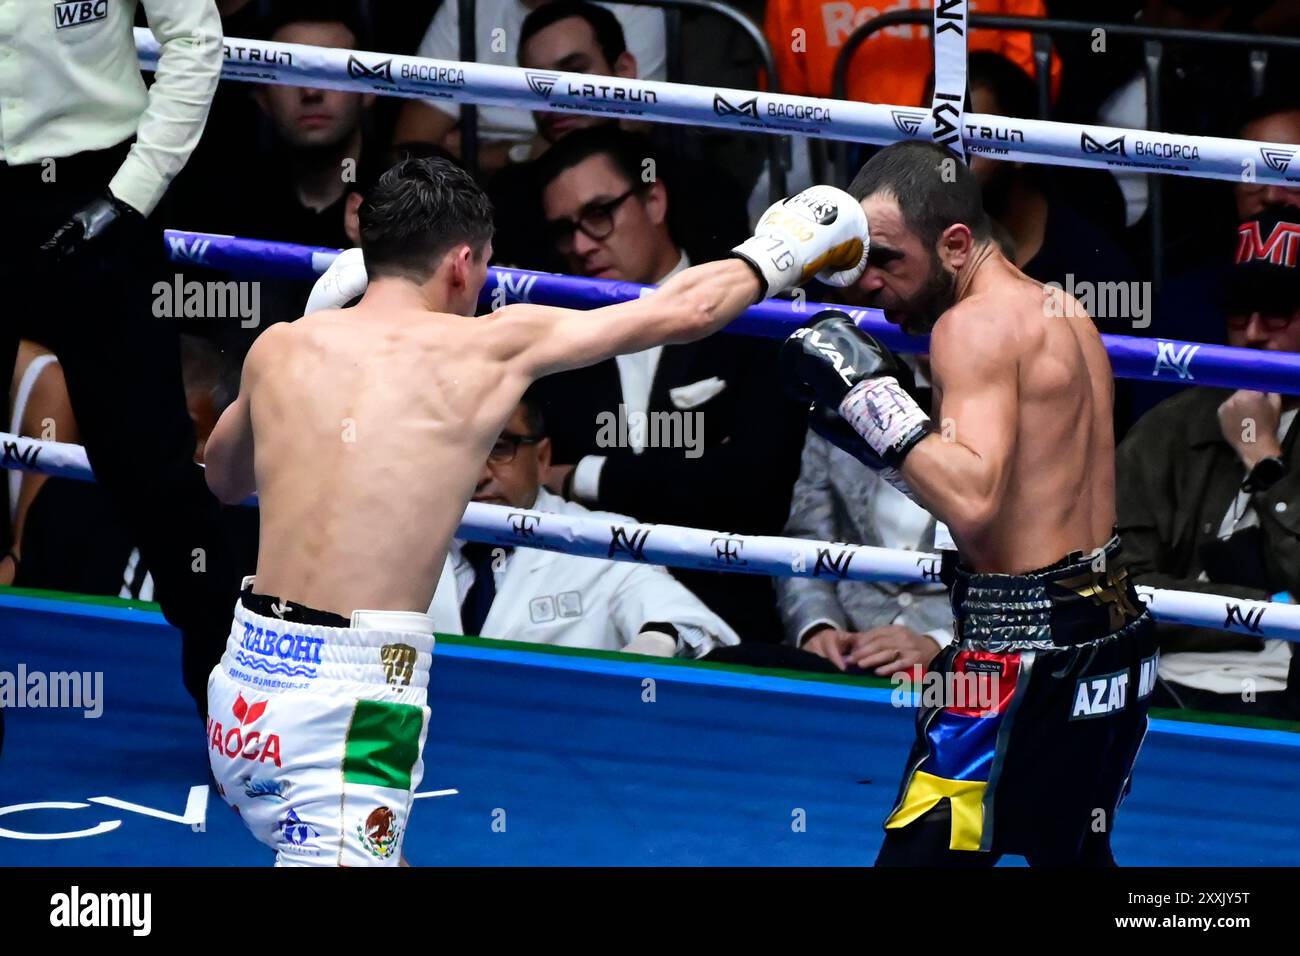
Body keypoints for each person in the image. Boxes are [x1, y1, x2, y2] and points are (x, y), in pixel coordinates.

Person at [205, 155, 869, 865]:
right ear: (463, 263)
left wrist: (308, 339)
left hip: (240, 686)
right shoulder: (485, 349)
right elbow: (686, 310)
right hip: (354, 702)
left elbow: (222, 477)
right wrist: (787, 243)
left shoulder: (280, 347)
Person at [779, 140, 1156, 866]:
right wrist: (877, 435)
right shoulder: (1063, 308)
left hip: (1018, 654)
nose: (871, 286)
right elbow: (1010, 493)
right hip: (1113, 639)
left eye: (889, 259)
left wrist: (869, 398)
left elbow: (974, 502)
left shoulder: (969, 327)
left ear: (956, 243)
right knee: (1074, 856)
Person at [0, 0, 237, 721]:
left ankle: (231, 702)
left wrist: (129, 196)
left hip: (102, 189)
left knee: (155, 469)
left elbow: (195, 40)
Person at [1117, 211, 1300, 721]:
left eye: (1279, 313)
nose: (1255, 333)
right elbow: (1116, 588)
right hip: (1160, 681)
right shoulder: (1168, 426)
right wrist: (1266, 608)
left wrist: (1263, 458)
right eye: (1239, 313)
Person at [429, 393, 740, 657]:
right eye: (463, 451)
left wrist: (659, 638)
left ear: (542, 458)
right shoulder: (400, 541)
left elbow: (693, 627)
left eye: (500, 448)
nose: (480, 474)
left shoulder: (603, 541)